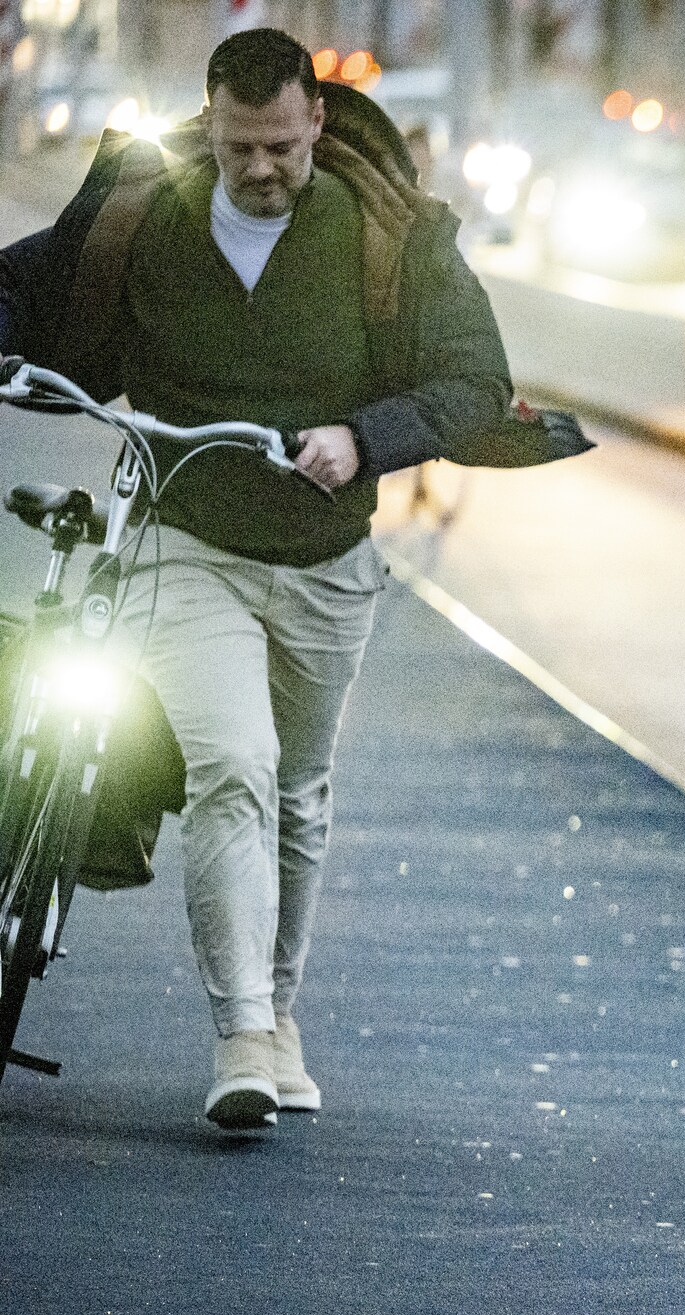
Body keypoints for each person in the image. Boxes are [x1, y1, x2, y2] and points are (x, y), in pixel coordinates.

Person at [0, 29, 582, 1129]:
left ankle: (280, 1014)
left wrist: (364, 439)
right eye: (237, 150)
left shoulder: (392, 235)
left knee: (298, 799)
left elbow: (474, 381)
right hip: (188, 540)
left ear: (315, 120)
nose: (260, 170)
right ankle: (242, 1040)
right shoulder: (143, 211)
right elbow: (25, 290)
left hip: (326, 561)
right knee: (234, 767)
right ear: (208, 128)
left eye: (279, 146)